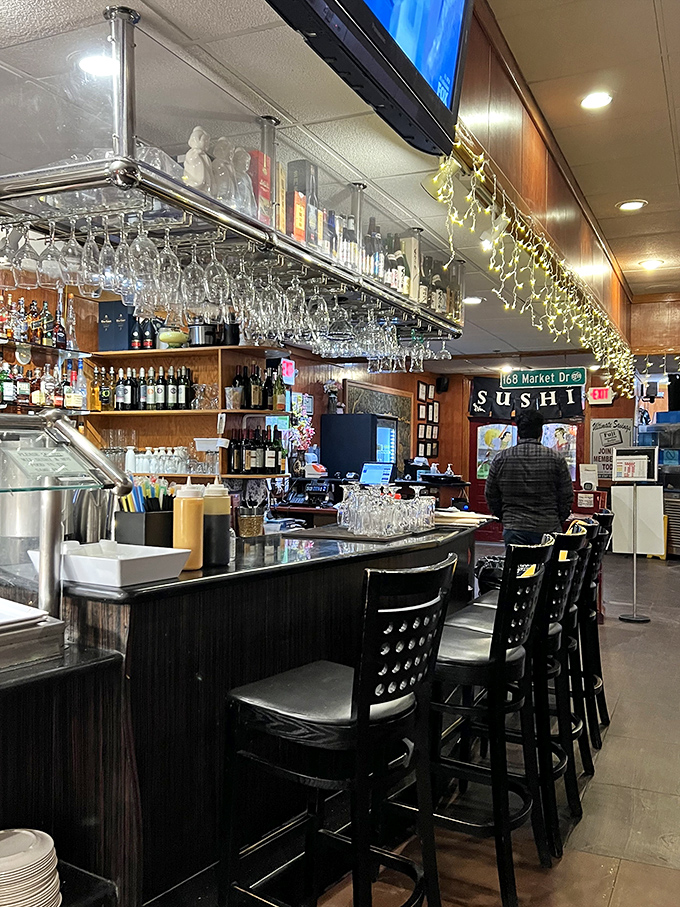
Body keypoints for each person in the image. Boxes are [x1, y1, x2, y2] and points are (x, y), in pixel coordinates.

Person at [485, 410, 573, 546]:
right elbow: (566, 496)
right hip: (548, 526)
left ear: (519, 433)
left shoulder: (500, 459)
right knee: (546, 566)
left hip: (514, 526)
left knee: (516, 565)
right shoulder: (556, 459)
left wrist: (504, 516)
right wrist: (558, 518)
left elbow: (491, 494)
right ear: (541, 433)